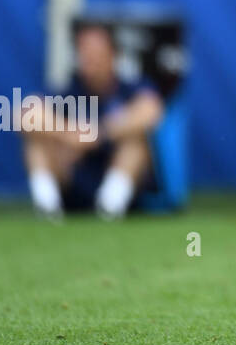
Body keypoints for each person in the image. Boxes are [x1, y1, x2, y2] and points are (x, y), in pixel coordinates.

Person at [22, 24, 165, 219]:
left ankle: (110, 207)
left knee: (136, 142)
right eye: (84, 52)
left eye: (96, 52)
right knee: (37, 142)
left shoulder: (132, 88)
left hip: (115, 174)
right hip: (73, 177)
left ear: (113, 55)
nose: (90, 59)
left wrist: (99, 134)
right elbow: (27, 114)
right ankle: (47, 208)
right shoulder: (69, 91)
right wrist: (69, 135)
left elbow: (151, 111)